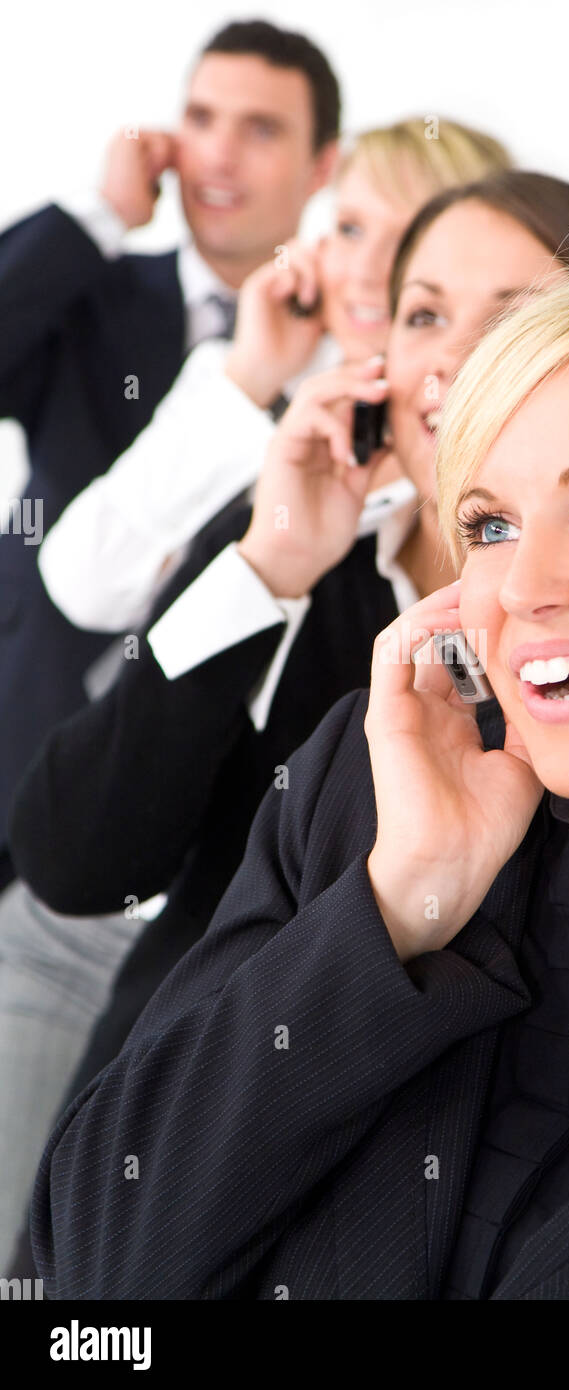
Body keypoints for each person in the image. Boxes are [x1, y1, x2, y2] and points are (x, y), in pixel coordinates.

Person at [30, 254, 569, 1300]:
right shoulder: (367, 792)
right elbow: (97, 1275)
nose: (523, 585)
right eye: (487, 525)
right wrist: (397, 907)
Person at [7, 173, 569, 1281]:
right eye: (425, 313)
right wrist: (267, 565)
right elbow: (75, 858)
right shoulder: (296, 554)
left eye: (511, 316)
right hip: (163, 1181)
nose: (450, 357)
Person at [0, 19, 341, 891]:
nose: (218, 158)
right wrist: (100, 216)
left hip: (217, 839)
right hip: (20, 740)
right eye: (201, 119)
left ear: (322, 166)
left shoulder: (350, 350)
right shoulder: (91, 291)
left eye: (260, 130)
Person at [36, 118, 512, 635]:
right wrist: (250, 377)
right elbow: (84, 584)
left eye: (410, 239)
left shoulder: (497, 424)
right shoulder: (246, 376)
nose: (366, 271)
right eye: (350, 229)